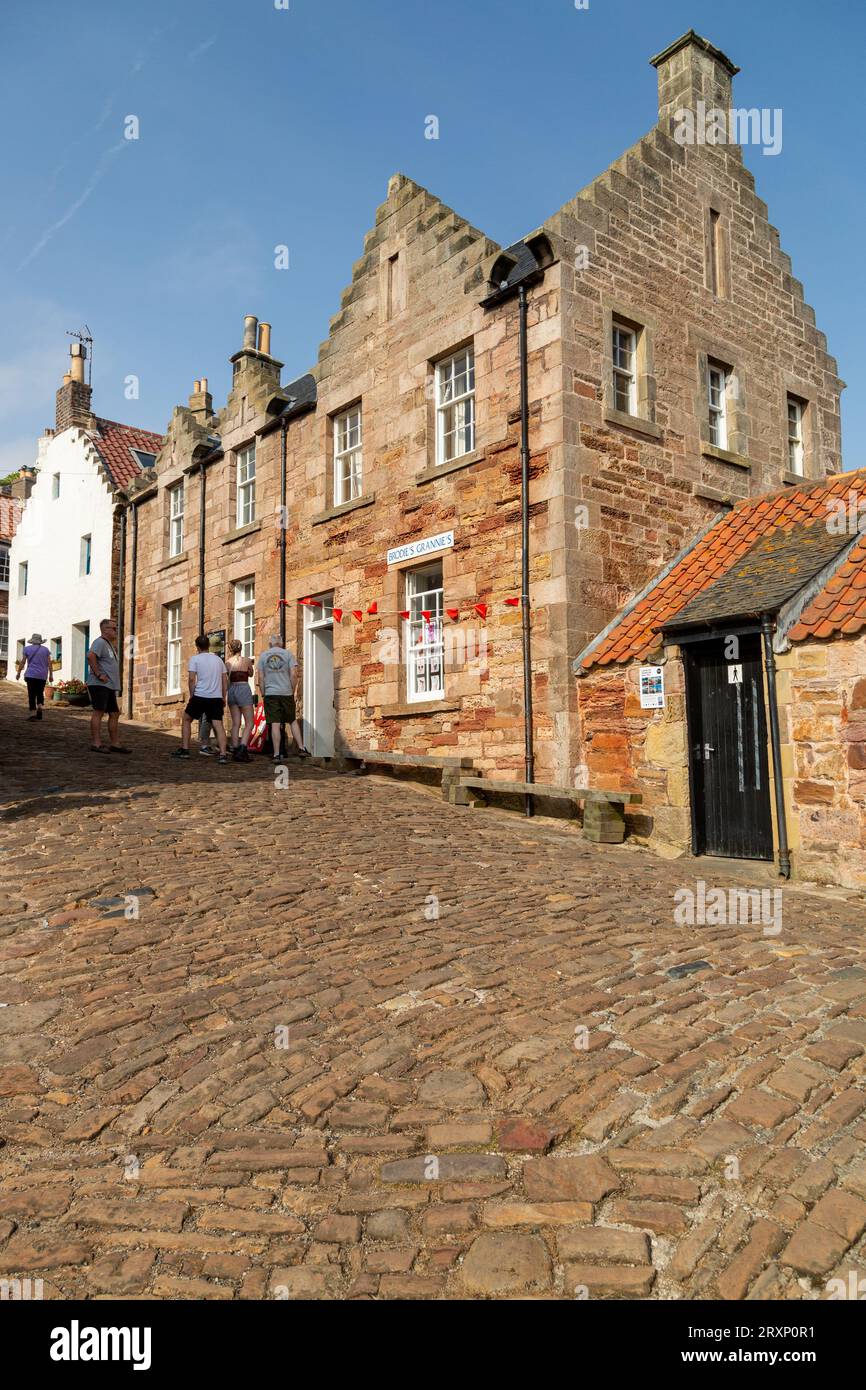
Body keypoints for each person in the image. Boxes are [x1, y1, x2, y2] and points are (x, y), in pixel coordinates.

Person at [172, 634, 229, 763]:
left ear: (197, 646)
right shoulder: (218, 660)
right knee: (218, 724)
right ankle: (223, 754)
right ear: (208, 646)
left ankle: (185, 749)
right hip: (215, 697)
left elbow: (192, 679)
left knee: (186, 719)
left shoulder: (195, 659)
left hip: (200, 695)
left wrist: (192, 695)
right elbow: (224, 680)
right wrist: (223, 697)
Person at [256, 634, 308, 763]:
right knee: (292, 720)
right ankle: (301, 748)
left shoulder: (263, 656)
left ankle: (276, 754)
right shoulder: (288, 654)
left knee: (275, 723)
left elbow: (260, 678)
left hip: (271, 693)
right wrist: (292, 690)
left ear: (270, 643)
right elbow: (294, 674)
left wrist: (263, 692)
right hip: (286, 692)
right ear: (282, 643)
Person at [86, 618, 129, 753]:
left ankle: (115, 744)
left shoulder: (109, 644)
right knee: (98, 712)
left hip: (109, 685)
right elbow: (90, 656)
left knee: (114, 713)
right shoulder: (99, 642)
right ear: (105, 630)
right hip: (100, 684)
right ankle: (96, 743)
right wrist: (99, 674)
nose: (116, 631)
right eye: (114, 628)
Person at [226, 638, 255, 762]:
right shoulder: (247, 660)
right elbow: (251, 674)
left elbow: (226, 677)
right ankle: (243, 748)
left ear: (230, 649)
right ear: (241, 648)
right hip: (243, 688)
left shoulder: (227, 662)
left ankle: (235, 748)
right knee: (249, 722)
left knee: (236, 723)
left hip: (232, 689)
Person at [15, 633, 53, 720]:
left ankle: (32, 713)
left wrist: (18, 673)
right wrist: (51, 675)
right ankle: (39, 708)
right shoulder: (46, 650)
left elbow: (23, 662)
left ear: (32, 641)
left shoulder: (27, 649)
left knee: (31, 693)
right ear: (40, 641)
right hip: (42, 675)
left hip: (31, 674)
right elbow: (49, 663)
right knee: (40, 692)